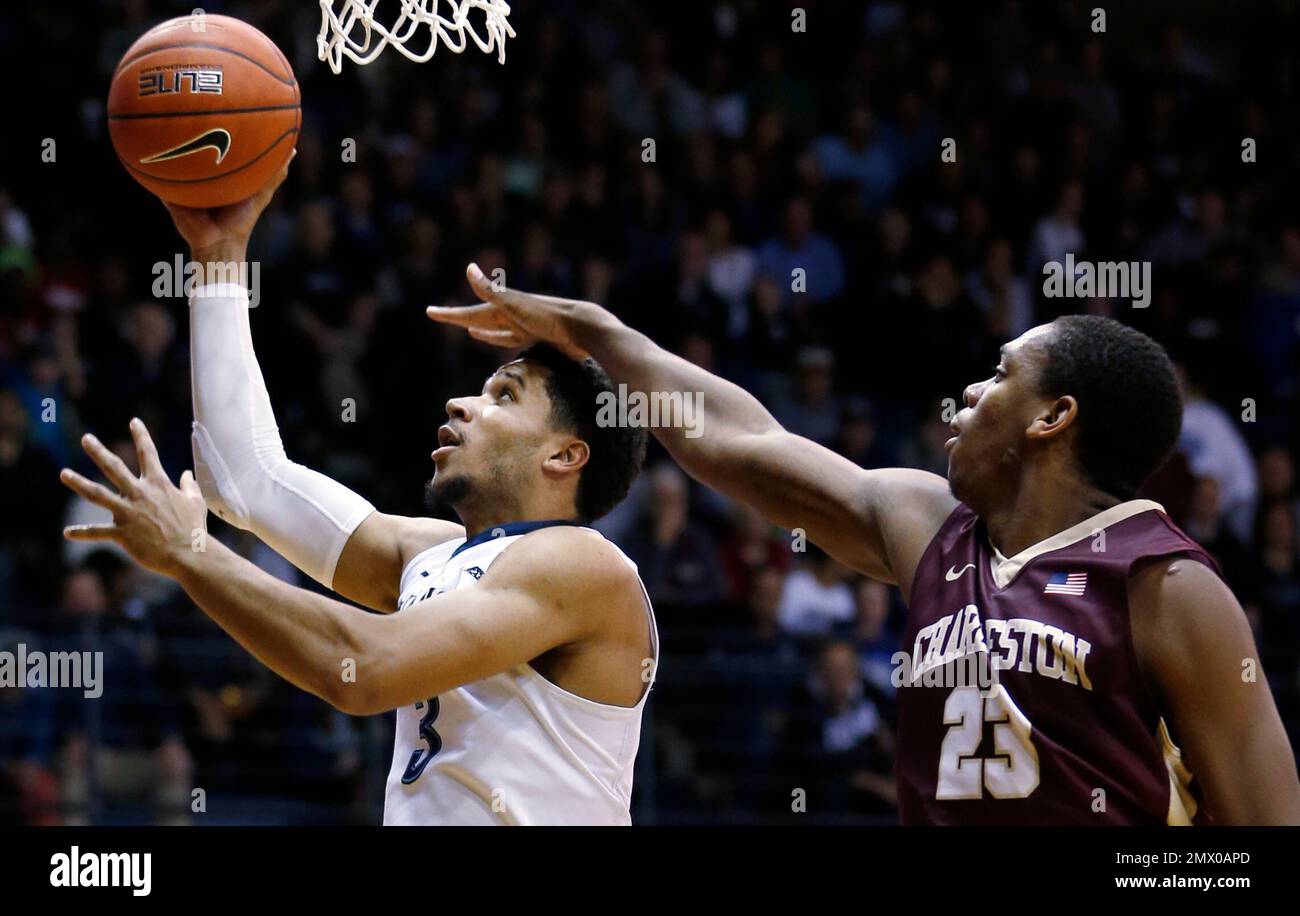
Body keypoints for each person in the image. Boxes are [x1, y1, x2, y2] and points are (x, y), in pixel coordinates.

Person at [428, 268, 1300, 825]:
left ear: (1053, 417)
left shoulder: (1168, 586)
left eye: (999, 374)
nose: (966, 391)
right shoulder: (929, 531)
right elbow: (734, 440)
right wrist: (594, 331)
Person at [57, 163, 656, 826]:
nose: (460, 403)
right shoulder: (428, 555)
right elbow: (244, 479)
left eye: (503, 396)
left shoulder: (585, 565)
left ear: (565, 454)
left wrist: (191, 555)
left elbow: (363, 668)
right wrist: (218, 261)